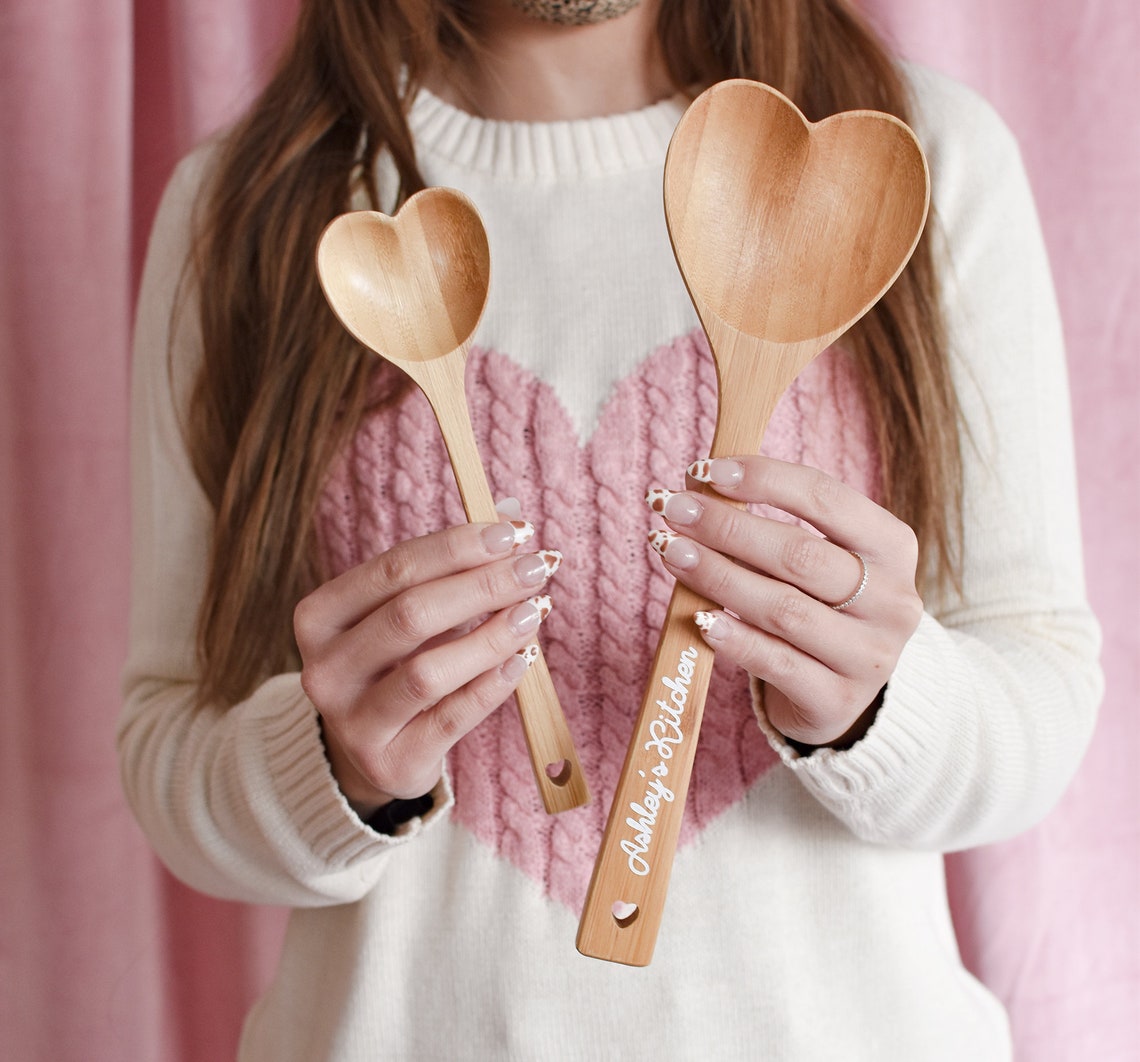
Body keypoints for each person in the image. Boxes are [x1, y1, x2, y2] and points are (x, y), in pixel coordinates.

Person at [118, 1, 1102, 1058]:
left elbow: (1038, 687)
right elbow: (168, 748)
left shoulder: (919, 158)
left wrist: (878, 704)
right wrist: (333, 769)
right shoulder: (249, 204)